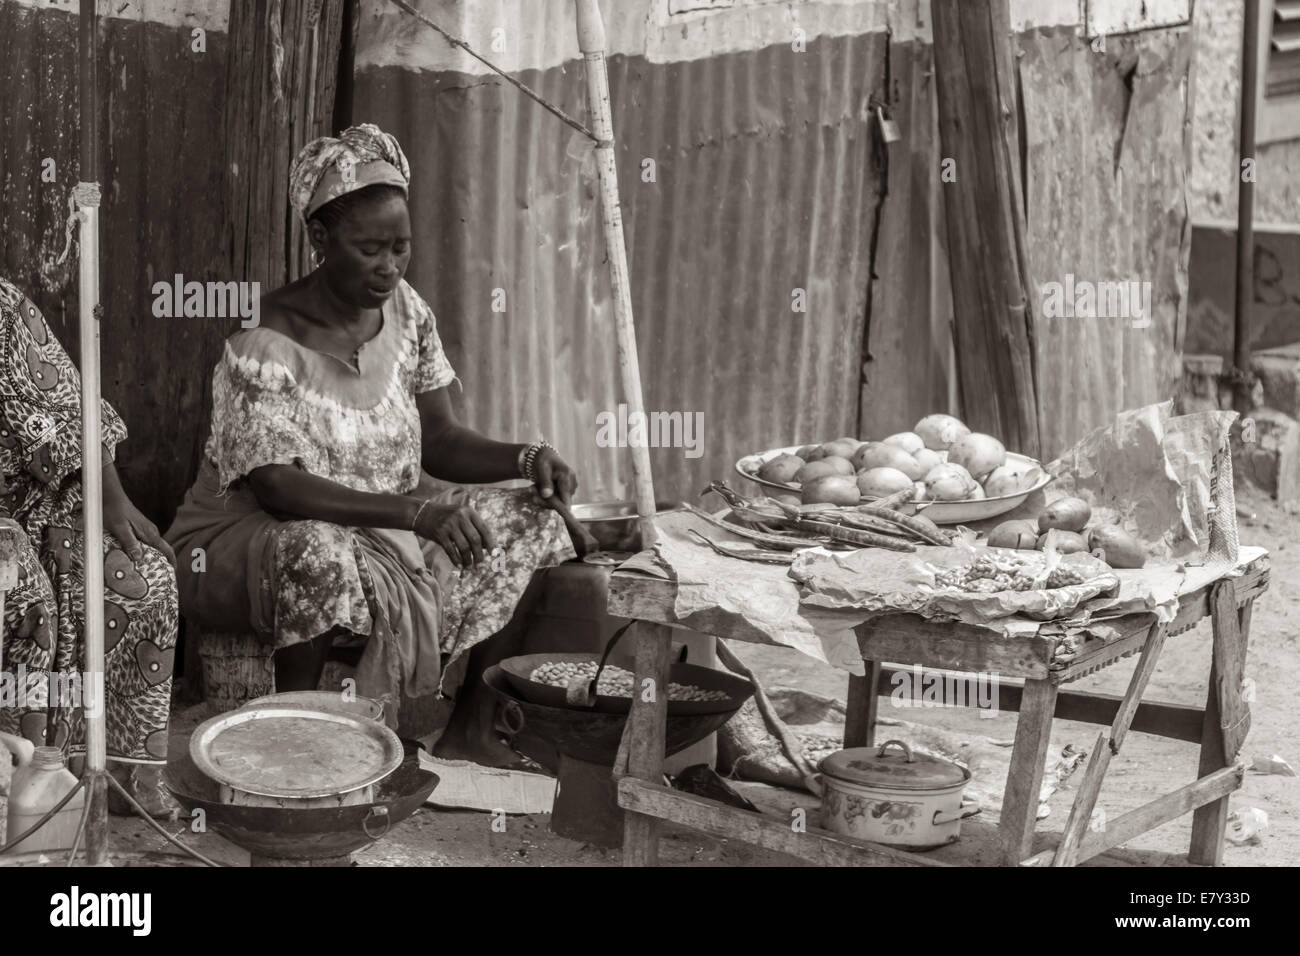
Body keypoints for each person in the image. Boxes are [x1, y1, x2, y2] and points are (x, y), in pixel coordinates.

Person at [166, 124, 579, 751]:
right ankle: (297, 737)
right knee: (320, 548)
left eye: (401, 248)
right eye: (370, 250)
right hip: (246, 542)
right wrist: (417, 515)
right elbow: (278, 489)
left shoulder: (408, 313)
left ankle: (472, 726)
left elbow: (439, 440)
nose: (389, 267)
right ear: (319, 239)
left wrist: (527, 457)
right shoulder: (262, 345)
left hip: (385, 527)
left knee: (530, 518)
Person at [0, 276, 179, 816]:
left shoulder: (3, 309)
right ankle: (19, 781)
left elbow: (69, 403)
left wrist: (111, 499)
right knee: (22, 590)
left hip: (23, 503)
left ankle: (115, 771)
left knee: (143, 579)